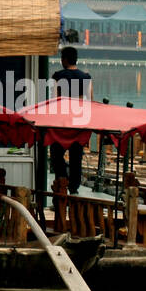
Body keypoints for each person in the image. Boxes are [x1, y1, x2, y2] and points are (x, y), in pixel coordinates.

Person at [50, 46, 92, 193]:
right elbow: (90, 102)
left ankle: (62, 179)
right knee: (76, 158)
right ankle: (74, 189)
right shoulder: (86, 77)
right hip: (79, 123)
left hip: (62, 123)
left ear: (65, 59)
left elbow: (54, 101)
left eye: (62, 58)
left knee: (56, 155)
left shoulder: (58, 76)